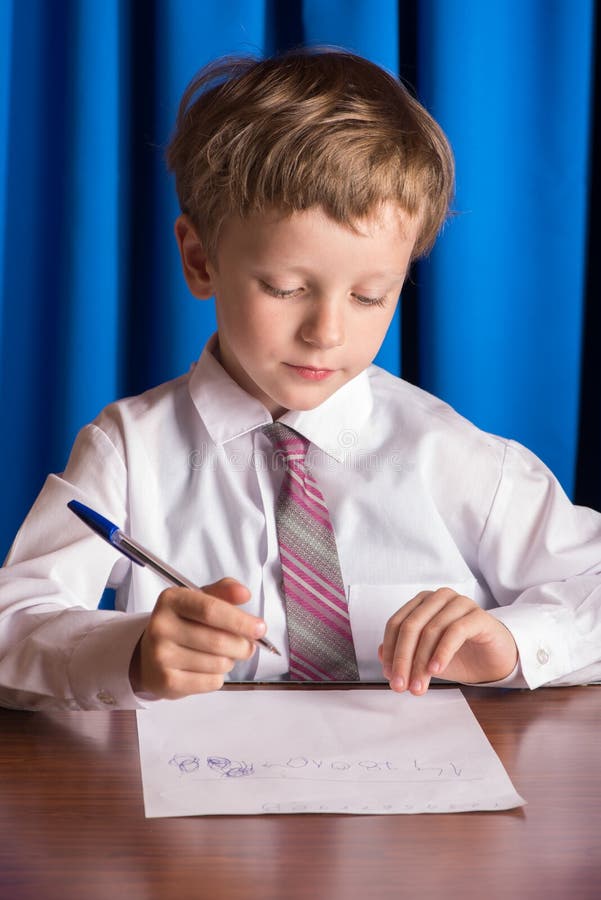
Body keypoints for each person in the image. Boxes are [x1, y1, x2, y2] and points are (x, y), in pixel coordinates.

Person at [1, 49, 600, 711]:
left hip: (414, 801)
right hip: (206, 795)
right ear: (201, 261)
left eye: (370, 297)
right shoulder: (128, 450)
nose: (327, 333)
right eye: (286, 288)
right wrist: (132, 654)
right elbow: (13, 626)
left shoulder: (451, 455)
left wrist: (511, 644)